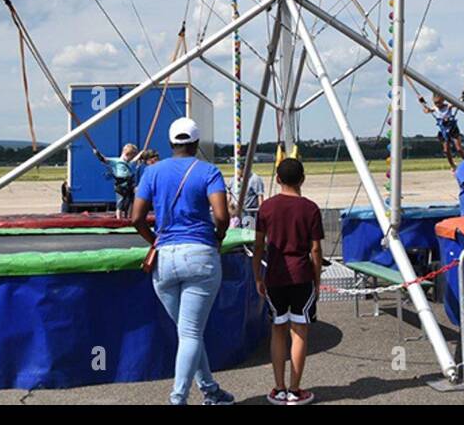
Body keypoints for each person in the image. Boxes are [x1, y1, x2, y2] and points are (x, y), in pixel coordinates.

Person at [131, 117, 235, 405]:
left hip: (165, 258)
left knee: (188, 332)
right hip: (200, 254)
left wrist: (155, 242)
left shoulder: (152, 173)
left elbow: (136, 217)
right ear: (196, 143)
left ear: (170, 143)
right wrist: (219, 235)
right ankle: (178, 399)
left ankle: (211, 390)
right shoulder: (208, 171)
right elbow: (222, 215)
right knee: (190, 333)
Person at [253, 158, 324, 406]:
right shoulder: (310, 209)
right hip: (301, 275)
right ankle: (295, 389)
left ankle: (279, 387)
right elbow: (316, 250)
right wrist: (317, 279)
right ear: (302, 179)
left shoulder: (267, 208)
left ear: (278, 179)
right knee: (300, 330)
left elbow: (259, 245)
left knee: (278, 329)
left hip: (274, 275)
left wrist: (257, 277)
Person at [420, 93, 464, 166]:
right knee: (446, 150)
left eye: (439, 102)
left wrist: (462, 95)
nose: (437, 104)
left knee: (458, 148)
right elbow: (427, 111)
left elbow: (458, 103)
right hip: (443, 130)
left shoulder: (448, 106)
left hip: (452, 128)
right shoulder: (435, 108)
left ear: (443, 100)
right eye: (435, 103)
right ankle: (452, 165)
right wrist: (422, 102)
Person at [97, 144, 141, 219]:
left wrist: (141, 153)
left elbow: (135, 159)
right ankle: (119, 218)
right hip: (120, 185)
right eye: (129, 157)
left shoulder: (129, 163)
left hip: (129, 184)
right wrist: (97, 153)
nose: (130, 159)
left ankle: (130, 217)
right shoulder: (116, 161)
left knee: (131, 201)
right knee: (120, 202)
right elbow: (104, 159)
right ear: (125, 154)